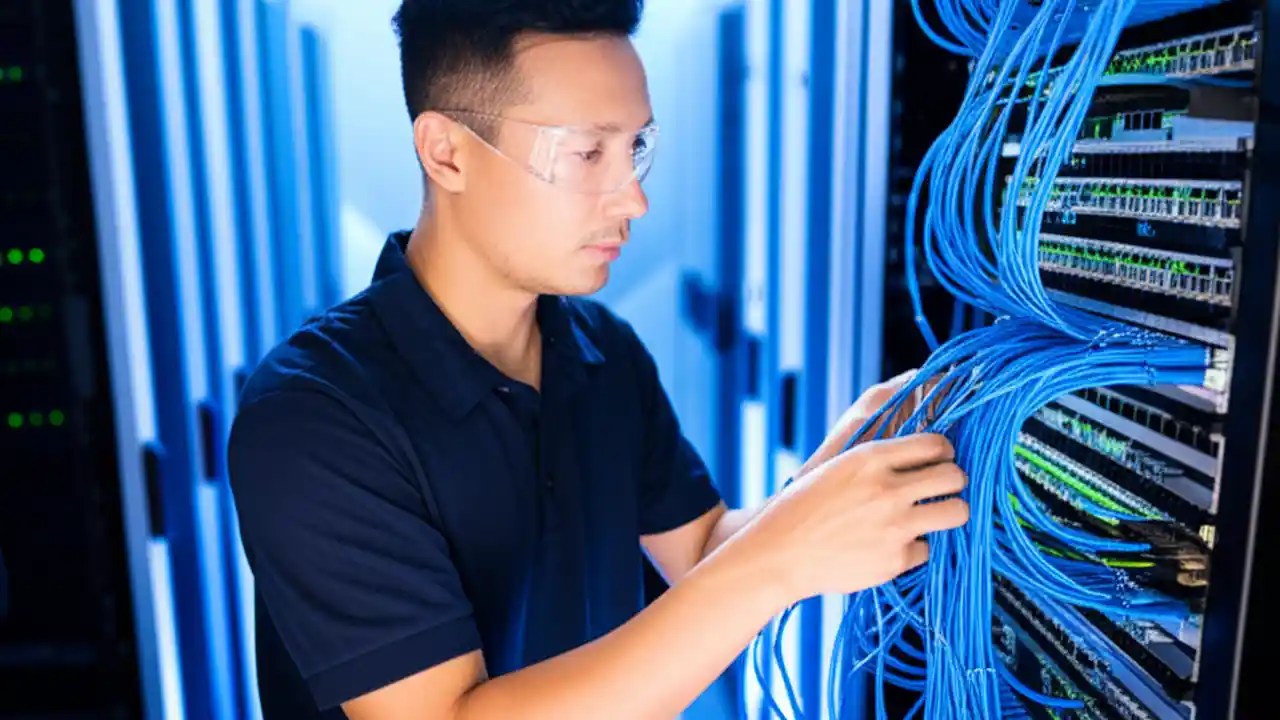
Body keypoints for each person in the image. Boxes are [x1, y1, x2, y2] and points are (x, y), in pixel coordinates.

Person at [225, 1, 969, 718]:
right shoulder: (313, 419)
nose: (634, 198)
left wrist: (825, 490)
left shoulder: (601, 353)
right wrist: (778, 560)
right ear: (445, 152)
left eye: (635, 148)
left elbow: (702, 549)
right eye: (586, 152)